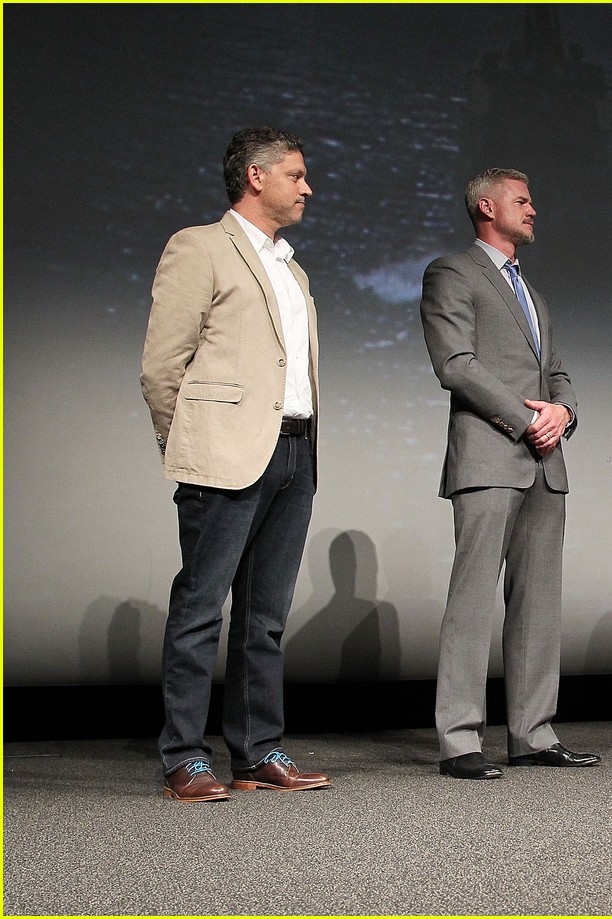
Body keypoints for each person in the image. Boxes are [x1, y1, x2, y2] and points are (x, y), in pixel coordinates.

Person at [140, 127, 331, 801]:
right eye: (297, 174)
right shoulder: (199, 247)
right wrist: (189, 444)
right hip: (223, 453)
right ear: (256, 177)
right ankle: (184, 755)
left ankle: (257, 750)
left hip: (295, 449)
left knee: (265, 615)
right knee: (200, 607)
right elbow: (162, 368)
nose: (307, 187)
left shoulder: (292, 267)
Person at [419, 168, 600, 779]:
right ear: (486, 205)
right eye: (522, 200)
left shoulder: (536, 296)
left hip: (545, 464)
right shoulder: (452, 273)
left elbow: (560, 374)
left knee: (539, 605)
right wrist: (527, 421)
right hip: (490, 456)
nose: (533, 210)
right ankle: (460, 740)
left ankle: (532, 732)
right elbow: (456, 365)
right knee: (473, 601)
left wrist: (563, 411)